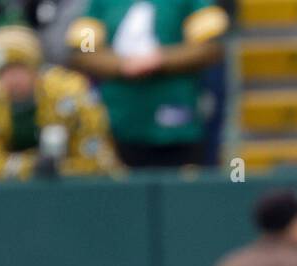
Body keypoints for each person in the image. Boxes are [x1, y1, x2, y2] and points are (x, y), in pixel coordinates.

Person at [65, 0, 228, 168]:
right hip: (117, 119)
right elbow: (83, 51)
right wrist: (121, 65)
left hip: (176, 120)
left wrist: (161, 59)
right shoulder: (102, 3)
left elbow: (211, 46)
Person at [0, 24, 120, 179]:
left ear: (35, 67)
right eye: (4, 71)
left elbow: (94, 161)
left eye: (19, 68)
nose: (12, 79)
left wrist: (57, 170)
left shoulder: (71, 95)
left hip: (79, 190)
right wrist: (32, 166)